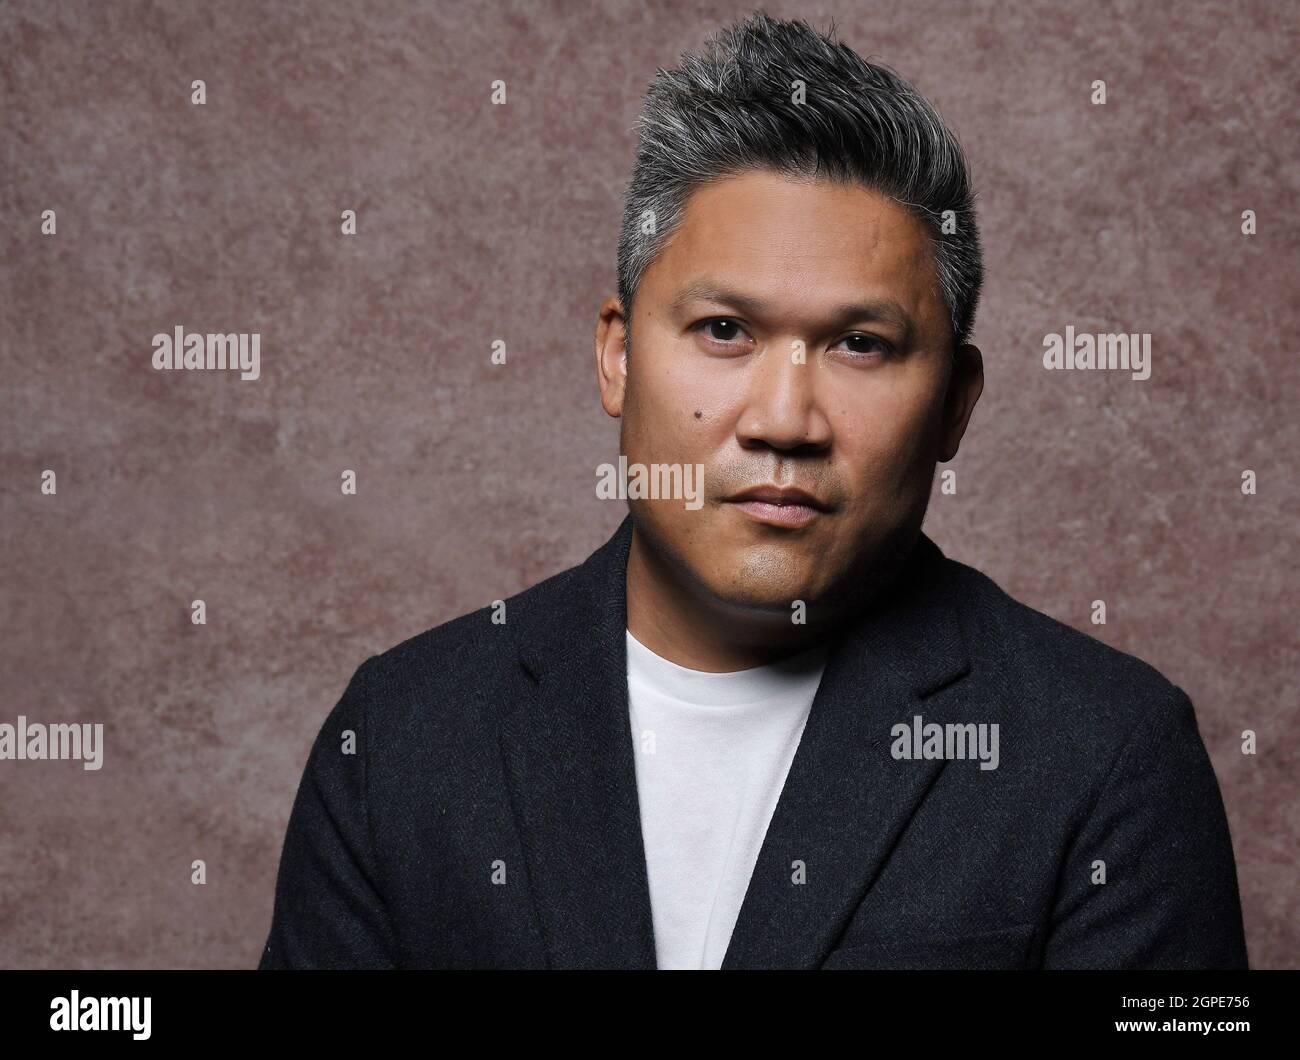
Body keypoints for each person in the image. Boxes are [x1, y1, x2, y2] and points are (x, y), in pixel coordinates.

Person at [258, 11, 1247, 970]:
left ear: (953, 404)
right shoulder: (402, 735)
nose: (784, 419)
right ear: (616, 356)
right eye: (725, 330)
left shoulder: (1104, 753)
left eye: (861, 344)